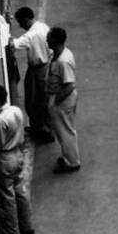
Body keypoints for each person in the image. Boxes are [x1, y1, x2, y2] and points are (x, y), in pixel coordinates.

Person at [0, 84, 33, 234]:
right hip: (18, 154)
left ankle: (11, 231)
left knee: (6, 196)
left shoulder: (0, 120)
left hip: (4, 158)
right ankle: (27, 224)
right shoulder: (16, 111)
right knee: (20, 191)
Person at [12, 7, 52, 143]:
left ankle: (42, 131)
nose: (20, 25)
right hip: (46, 65)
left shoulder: (31, 35)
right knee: (41, 100)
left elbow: (13, 44)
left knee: (35, 101)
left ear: (26, 19)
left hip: (37, 70)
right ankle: (39, 127)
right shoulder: (43, 26)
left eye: (20, 22)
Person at [45, 26, 80, 173]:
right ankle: (68, 157)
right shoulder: (59, 54)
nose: (47, 40)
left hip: (62, 100)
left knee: (65, 132)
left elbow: (70, 86)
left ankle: (72, 162)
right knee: (64, 131)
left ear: (55, 41)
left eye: (49, 38)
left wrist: (55, 102)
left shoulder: (63, 61)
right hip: (59, 98)